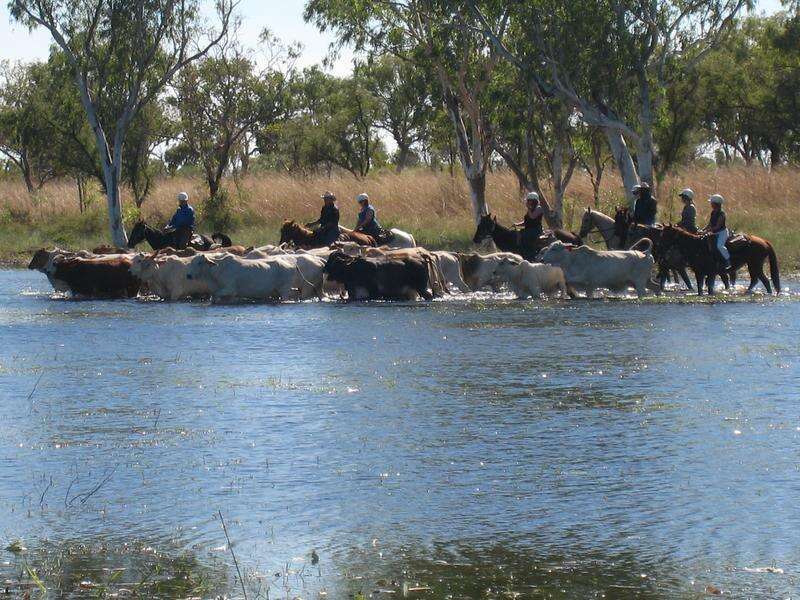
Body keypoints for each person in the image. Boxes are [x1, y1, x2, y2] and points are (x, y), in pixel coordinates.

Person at [702, 194, 730, 269]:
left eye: (712, 203)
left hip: (722, 232)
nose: (711, 204)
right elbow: (710, 224)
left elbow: (718, 226)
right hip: (714, 232)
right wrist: (703, 230)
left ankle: (728, 261)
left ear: (716, 204)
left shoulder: (722, 214)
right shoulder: (713, 212)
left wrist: (708, 231)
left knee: (720, 246)